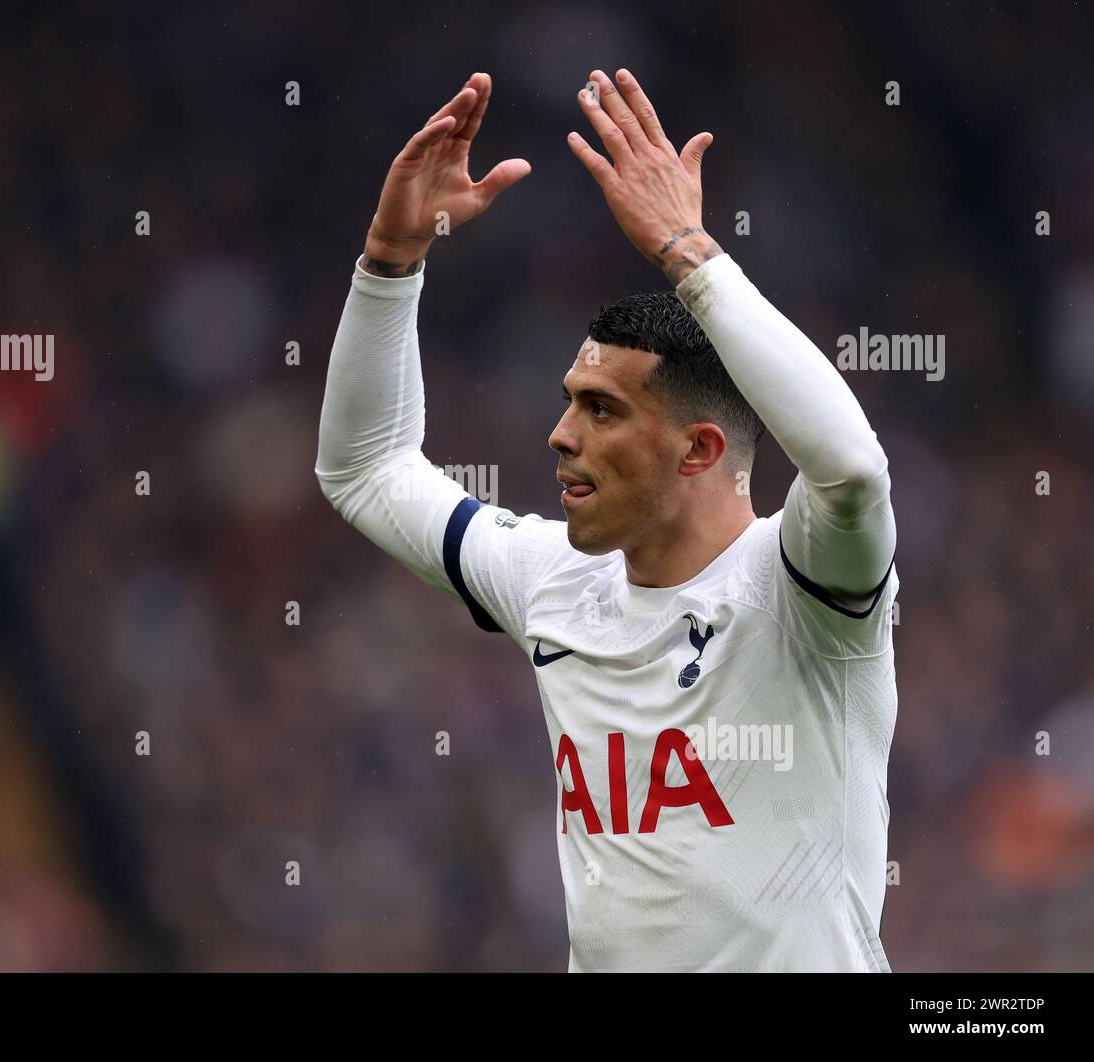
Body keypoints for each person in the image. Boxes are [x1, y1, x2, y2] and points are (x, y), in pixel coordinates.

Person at [315, 69, 898, 972]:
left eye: (601, 409)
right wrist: (391, 259)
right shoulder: (553, 580)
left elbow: (854, 470)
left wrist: (689, 252)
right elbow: (363, 467)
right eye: (568, 402)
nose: (559, 435)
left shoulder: (804, 589)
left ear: (700, 450)